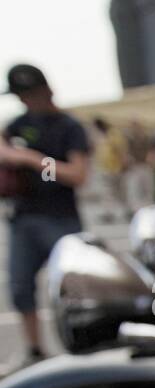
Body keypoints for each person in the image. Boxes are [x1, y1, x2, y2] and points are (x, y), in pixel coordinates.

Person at [0, 64, 89, 364]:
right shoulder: (17, 125)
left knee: (74, 290)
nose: (25, 102)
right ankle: (34, 351)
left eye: (28, 95)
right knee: (20, 286)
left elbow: (76, 174)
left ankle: (83, 351)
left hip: (60, 216)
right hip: (24, 216)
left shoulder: (69, 127)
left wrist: (33, 160)